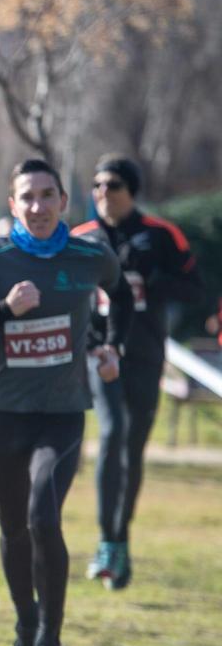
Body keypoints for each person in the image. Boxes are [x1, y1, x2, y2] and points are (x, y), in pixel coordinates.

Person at [0, 159, 132, 646]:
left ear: (63, 202)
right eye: (27, 197)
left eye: (48, 195)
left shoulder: (90, 255)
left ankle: (50, 645)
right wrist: (5, 309)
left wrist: (113, 343)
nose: (39, 206)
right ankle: (26, 627)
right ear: (13, 205)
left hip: (62, 413)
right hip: (1, 417)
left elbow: (121, 296)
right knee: (12, 529)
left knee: (43, 517)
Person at [71, 155, 204, 591]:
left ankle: (121, 539)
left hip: (145, 353)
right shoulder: (81, 237)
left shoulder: (161, 235)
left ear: (132, 191)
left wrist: (151, 283)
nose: (101, 193)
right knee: (111, 434)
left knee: (132, 447)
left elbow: (195, 286)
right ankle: (107, 541)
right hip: (100, 352)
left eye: (111, 185)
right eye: (96, 185)